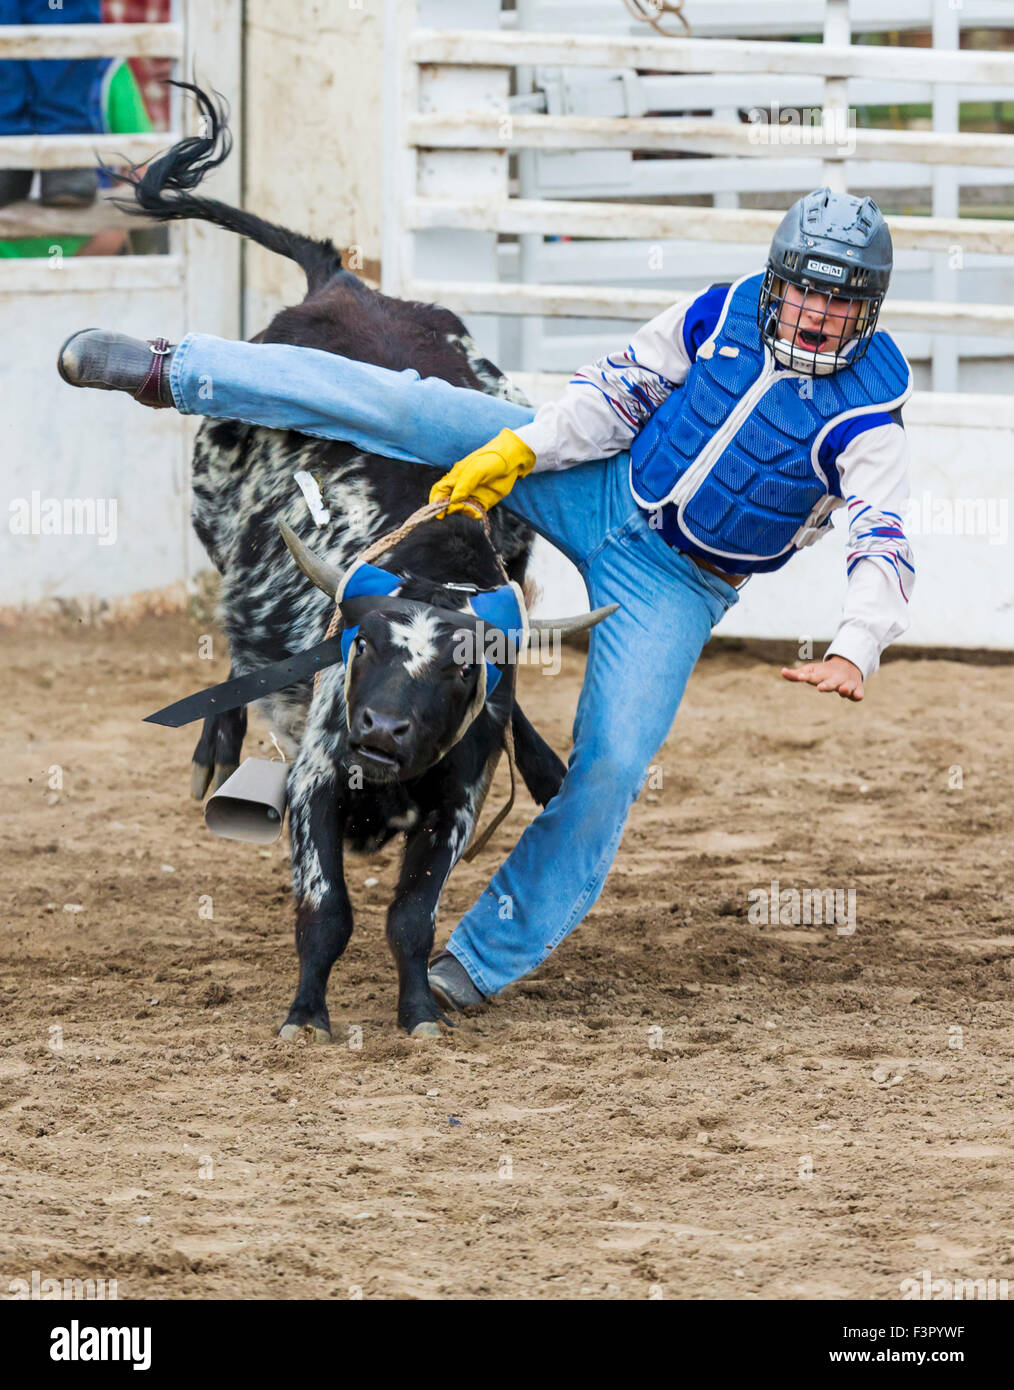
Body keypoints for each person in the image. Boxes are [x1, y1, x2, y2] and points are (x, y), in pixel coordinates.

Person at [57, 188, 915, 1014]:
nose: (814, 314)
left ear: (866, 310)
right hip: (596, 483)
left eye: (838, 303)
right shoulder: (719, 312)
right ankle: (177, 370)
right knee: (409, 406)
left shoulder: (870, 414)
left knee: (612, 767)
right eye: (803, 288)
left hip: (678, 580)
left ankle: (473, 962)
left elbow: (883, 538)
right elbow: (618, 393)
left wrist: (855, 643)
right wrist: (518, 452)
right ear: (777, 280)